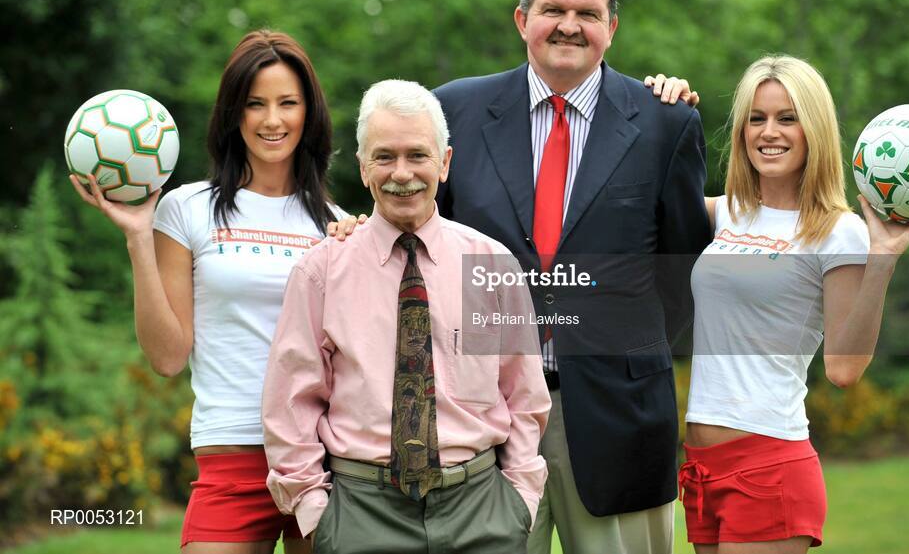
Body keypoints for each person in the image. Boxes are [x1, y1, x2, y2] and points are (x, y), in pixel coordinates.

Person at [432, 0, 711, 554]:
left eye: (588, 13)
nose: (568, 25)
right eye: (552, 9)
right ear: (521, 19)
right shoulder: (451, 111)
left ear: (612, 27)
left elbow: (682, 274)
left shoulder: (666, 124)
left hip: (620, 415)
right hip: (485, 421)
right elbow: (422, 247)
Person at [70, 30, 345, 553]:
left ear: (308, 114)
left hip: (321, 457)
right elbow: (168, 357)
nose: (272, 121)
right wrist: (137, 238)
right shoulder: (185, 208)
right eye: (254, 104)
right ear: (232, 114)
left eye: (288, 103)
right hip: (230, 453)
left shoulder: (335, 226)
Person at [664, 55, 909, 553]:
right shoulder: (725, 214)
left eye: (787, 118)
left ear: (813, 128)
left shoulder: (839, 232)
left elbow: (844, 370)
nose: (769, 132)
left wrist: (883, 260)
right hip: (702, 469)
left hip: (769, 466)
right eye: (757, 118)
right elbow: (641, 200)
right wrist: (661, 108)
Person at [262, 79, 551, 554]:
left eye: (417, 155)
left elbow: (523, 394)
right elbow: (291, 401)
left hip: (482, 511)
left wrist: (519, 499)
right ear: (362, 167)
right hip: (361, 512)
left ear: (445, 163)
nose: (402, 173)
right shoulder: (322, 271)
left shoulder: (492, 264)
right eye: (384, 156)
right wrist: (317, 515)